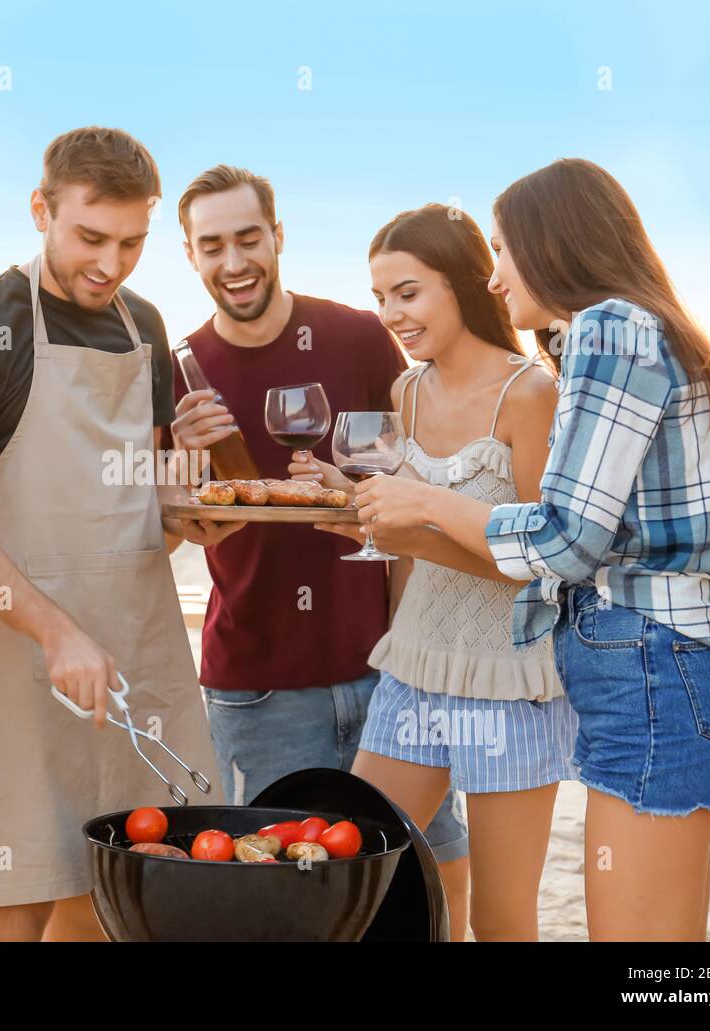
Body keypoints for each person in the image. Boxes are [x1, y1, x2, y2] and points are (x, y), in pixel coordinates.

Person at [359, 159, 710, 940]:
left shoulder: (611, 327)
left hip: (652, 671)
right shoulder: (631, 328)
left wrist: (427, 503)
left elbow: (566, 539)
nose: (497, 275)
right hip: (658, 671)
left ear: (553, 244)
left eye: (505, 250)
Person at [0, 127, 221, 942]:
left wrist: (193, 511)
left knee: (111, 886)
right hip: (13, 654)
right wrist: (54, 630)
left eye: (132, 243)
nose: (109, 264)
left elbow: (144, 512)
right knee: (16, 894)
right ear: (41, 209)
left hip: (130, 654)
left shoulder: (145, 325)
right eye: (90, 237)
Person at [169, 166, 472, 937]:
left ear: (277, 237)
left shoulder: (360, 336)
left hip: (387, 670)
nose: (233, 261)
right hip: (261, 687)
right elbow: (176, 526)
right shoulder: (179, 374)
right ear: (190, 253)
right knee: (284, 902)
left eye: (248, 238)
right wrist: (183, 463)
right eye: (213, 245)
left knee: (431, 874)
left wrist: (407, 639)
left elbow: (421, 472)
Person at [300, 203, 574, 940]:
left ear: (461, 283)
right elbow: (400, 533)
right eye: (381, 296)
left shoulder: (532, 394)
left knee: (501, 920)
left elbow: (540, 564)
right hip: (414, 668)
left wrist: (404, 528)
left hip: (508, 677)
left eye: (408, 292)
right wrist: (351, 507)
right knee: (341, 867)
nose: (392, 313)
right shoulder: (404, 394)